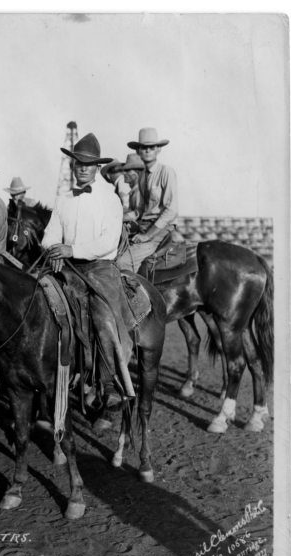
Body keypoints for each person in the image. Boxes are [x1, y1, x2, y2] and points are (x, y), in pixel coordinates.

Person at [42, 133, 132, 408]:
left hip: (100, 266)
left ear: (96, 167)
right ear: (72, 164)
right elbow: (48, 235)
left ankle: (107, 380)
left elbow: (108, 241)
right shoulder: (63, 199)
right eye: (78, 162)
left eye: (88, 164)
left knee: (102, 309)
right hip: (66, 266)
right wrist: (55, 250)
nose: (82, 167)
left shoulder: (110, 198)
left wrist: (72, 250)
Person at [115, 127, 178, 272]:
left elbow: (172, 210)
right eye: (144, 148)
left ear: (158, 150)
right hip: (145, 226)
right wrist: (119, 218)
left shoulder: (166, 172)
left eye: (152, 147)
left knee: (123, 263)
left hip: (161, 229)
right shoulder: (143, 176)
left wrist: (147, 235)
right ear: (138, 151)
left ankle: (137, 294)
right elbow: (140, 210)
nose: (148, 151)